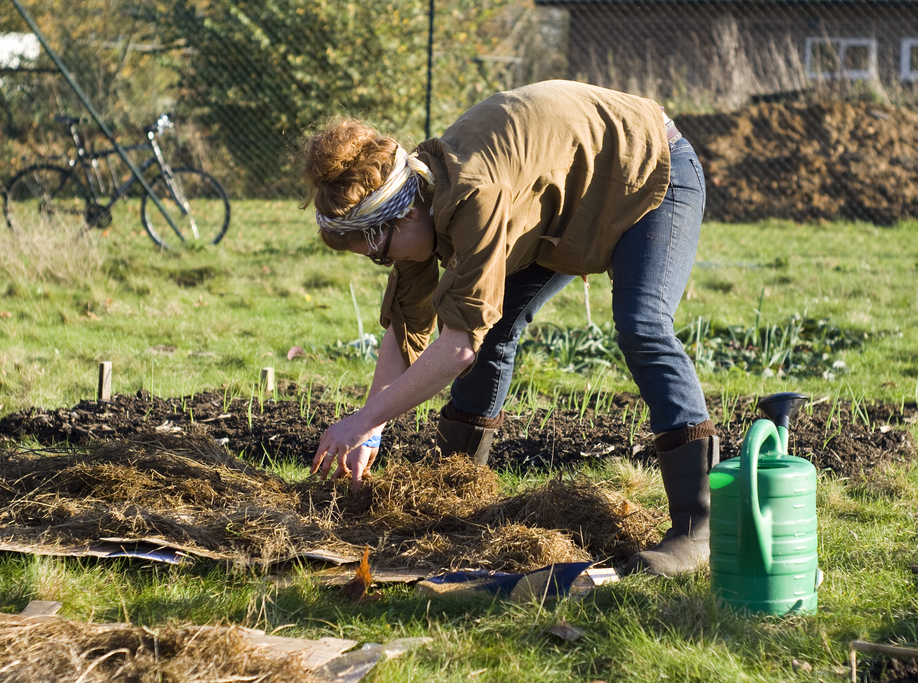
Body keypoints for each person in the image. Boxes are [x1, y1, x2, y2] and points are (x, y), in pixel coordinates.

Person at [301, 80, 719, 575]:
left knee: (641, 325)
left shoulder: (472, 195)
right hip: (562, 198)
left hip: (647, 168)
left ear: (405, 214)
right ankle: (455, 496)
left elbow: (459, 347)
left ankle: (698, 526)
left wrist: (361, 420)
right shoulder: (421, 194)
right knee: (493, 330)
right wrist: (371, 430)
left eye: (379, 252)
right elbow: (406, 325)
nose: (383, 262)